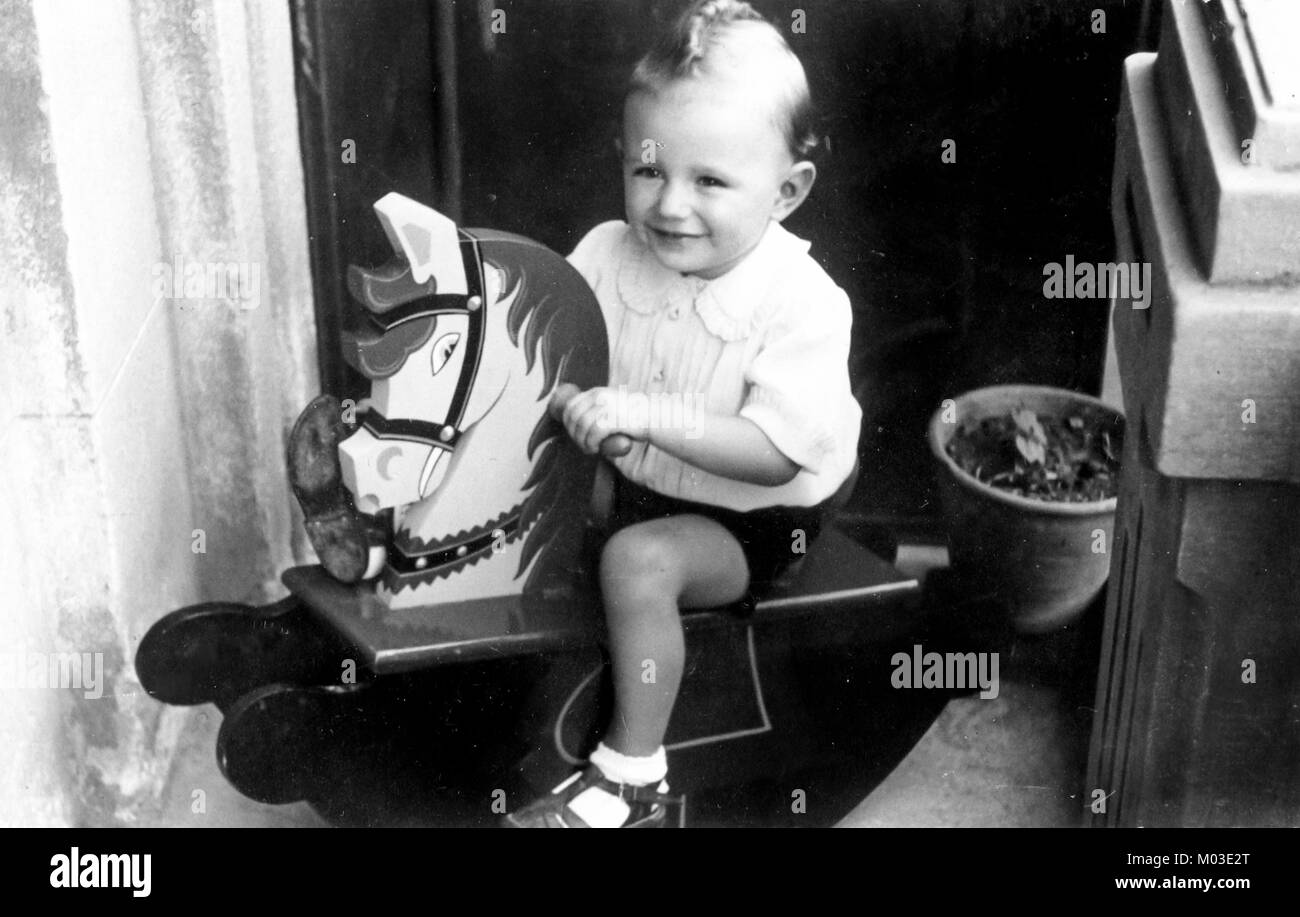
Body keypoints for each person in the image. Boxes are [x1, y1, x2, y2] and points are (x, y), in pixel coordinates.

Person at [503, 0, 862, 828]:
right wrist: (578, 407)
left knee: (636, 561)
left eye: (710, 182)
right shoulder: (602, 255)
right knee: (546, 498)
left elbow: (774, 453)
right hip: (636, 473)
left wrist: (643, 418)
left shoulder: (802, 302)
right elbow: (551, 370)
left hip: (756, 518)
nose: (670, 205)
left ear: (789, 190)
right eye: (649, 170)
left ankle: (631, 777)